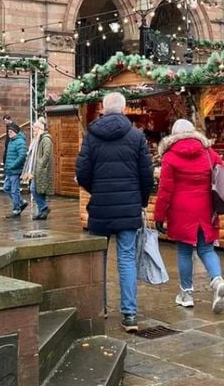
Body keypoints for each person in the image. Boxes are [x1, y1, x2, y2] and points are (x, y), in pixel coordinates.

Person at [75, 92, 154, 333]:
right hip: (129, 207)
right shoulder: (136, 136)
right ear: (124, 109)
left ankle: (101, 307)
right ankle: (129, 314)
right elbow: (146, 174)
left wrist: (95, 191)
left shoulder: (91, 136)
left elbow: (83, 171)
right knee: (127, 259)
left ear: (102, 108)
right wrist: (140, 200)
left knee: (98, 259)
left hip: (100, 207)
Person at [153, 119, 224, 313]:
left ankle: (186, 294)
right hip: (206, 208)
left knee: (184, 252)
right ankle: (217, 279)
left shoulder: (170, 157)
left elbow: (165, 190)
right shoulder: (208, 152)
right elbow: (223, 172)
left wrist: (159, 215)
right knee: (207, 249)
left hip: (181, 210)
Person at [29, 117, 54, 220]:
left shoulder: (45, 139)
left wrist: (39, 165)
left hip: (42, 169)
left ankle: (44, 208)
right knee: (39, 191)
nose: (33, 131)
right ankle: (41, 212)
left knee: (34, 189)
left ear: (39, 128)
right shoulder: (39, 139)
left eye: (34, 129)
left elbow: (47, 155)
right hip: (38, 169)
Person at [3, 122, 28, 217]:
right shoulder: (11, 141)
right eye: (8, 132)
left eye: (10, 132)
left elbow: (22, 156)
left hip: (15, 171)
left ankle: (16, 209)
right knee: (6, 188)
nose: (9, 133)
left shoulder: (20, 142)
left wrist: (13, 165)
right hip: (9, 171)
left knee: (14, 190)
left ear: (15, 132)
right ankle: (21, 202)